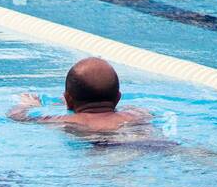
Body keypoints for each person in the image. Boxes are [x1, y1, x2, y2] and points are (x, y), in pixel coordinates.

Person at [8, 57, 150, 136]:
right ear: (118, 98)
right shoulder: (138, 114)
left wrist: (28, 105)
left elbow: (17, 116)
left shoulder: (65, 120)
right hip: (139, 139)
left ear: (68, 100)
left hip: (99, 149)